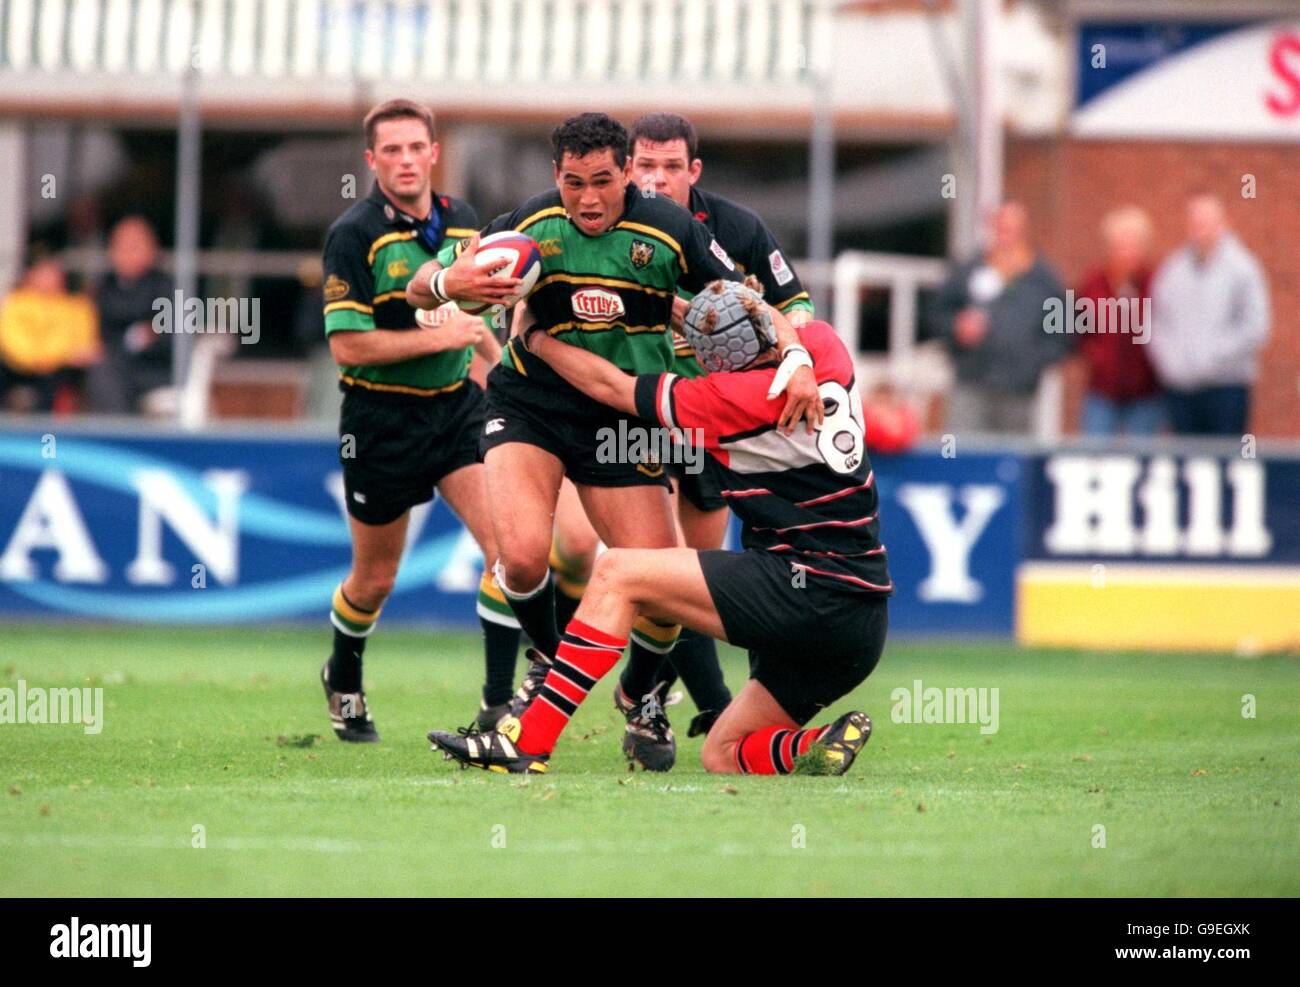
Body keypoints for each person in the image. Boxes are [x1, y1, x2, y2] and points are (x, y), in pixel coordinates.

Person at [407, 112, 822, 771]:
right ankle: (548, 663)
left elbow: (747, 300)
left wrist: (796, 357)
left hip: (623, 416)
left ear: (628, 173)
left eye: (603, 181)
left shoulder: (670, 228)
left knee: (659, 582)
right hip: (532, 401)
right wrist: (446, 284)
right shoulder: (530, 225)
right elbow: (419, 283)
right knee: (519, 557)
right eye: (574, 183)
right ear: (555, 176)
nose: (589, 199)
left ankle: (641, 690)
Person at [429, 279, 889, 776]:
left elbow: (611, 386)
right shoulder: (825, 347)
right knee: (722, 753)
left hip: (808, 591)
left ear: (710, 360)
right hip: (861, 626)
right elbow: (789, 324)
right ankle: (813, 745)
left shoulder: (722, 399)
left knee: (616, 573)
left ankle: (528, 741)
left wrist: (535, 338)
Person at [318, 99, 520, 742]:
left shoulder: (462, 219)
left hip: (458, 409)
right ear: (371, 160)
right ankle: (343, 677)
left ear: (434, 152)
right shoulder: (353, 234)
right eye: (392, 150)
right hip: (380, 419)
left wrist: (505, 370)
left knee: (511, 555)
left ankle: (496, 705)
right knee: (375, 579)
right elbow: (348, 347)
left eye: (415, 148)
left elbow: (475, 327)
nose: (406, 160)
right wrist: (439, 339)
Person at [933, 202, 1069, 433]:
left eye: (1013, 229)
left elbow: (1063, 331)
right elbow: (937, 314)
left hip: (1019, 390)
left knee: (1011, 459)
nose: (1007, 236)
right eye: (1002, 228)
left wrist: (1032, 361)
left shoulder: (1043, 279)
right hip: (971, 381)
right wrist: (957, 328)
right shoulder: (969, 270)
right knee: (964, 456)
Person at [1148, 194, 1270, 436]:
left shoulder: (1243, 269)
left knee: (1223, 460)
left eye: (1207, 223)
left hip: (1226, 385)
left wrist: (1211, 358)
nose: (1200, 230)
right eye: (1195, 223)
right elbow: (1156, 321)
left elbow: (1256, 326)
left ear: (1225, 223)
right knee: (1186, 462)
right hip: (1181, 386)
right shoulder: (1174, 269)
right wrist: (1171, 364)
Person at [1074, 206, 1163, 437]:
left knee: (1143, 462)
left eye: (1133, 244)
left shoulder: (1156, 283)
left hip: (1146, 393)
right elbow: (1075, 327)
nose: (1126, 252)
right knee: (1093, 458)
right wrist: (1095, 354)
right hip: (1102, 392)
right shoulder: (1094, 283)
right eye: (1120, 244)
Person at [87, 217, 174, 413]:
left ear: (152, 250)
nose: (126, 253)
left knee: (106, 374)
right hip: (110, 366)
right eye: (120, 245)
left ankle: (117, 438)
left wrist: (131, 341)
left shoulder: (166, 288)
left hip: (155, 371)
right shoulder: (103, 286)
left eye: (134, 246)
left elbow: (170, 337)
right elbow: (98, 334)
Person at [0, 256, 100, 412]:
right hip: (21, 365)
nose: (49, 277)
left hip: (61, 368)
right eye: (43, 272)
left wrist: (53, 359)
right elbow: (11, 339)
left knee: (61, 378)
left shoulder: (77, 306)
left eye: (54, 272)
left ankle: (48, 431)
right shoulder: (17, 302)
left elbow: (83, 344)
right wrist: (40, 359)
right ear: (31, 275)